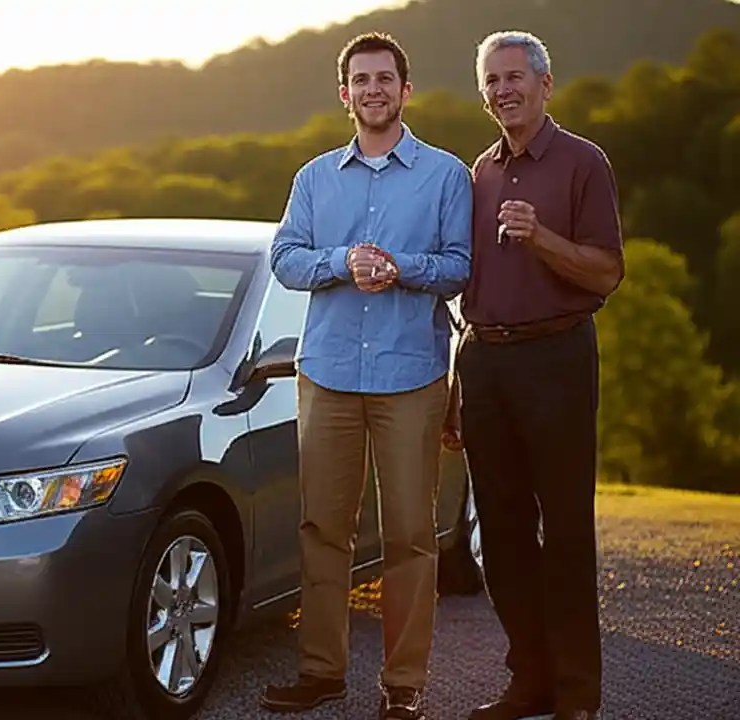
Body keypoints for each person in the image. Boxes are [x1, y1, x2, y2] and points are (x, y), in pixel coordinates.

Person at [258, 32, 472, 720]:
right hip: (327, 376)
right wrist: (343, 260)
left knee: (410, 535)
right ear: (344, 94)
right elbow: (285, 258)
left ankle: (404, 685)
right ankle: (321, 671)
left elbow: (461, 267)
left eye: (386, 78)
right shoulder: (314, 178)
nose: (373, 89)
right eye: (361, 79)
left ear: (406, 91)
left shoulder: (445, 176)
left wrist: (402, 268)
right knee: (323, 526)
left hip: (411, 377)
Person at [452, 30, 624, 720]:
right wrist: (458, 386)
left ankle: (578, 695)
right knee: (500, 532)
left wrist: (540, 236)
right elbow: (472, 292)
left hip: (557, 358)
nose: (503, 90)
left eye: (515, 77)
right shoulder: (480, 171)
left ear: (545, 84)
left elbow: (607, 272)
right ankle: (531, 681)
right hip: (485, 361)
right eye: (491, 80)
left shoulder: (584, 162)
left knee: (567, 531)